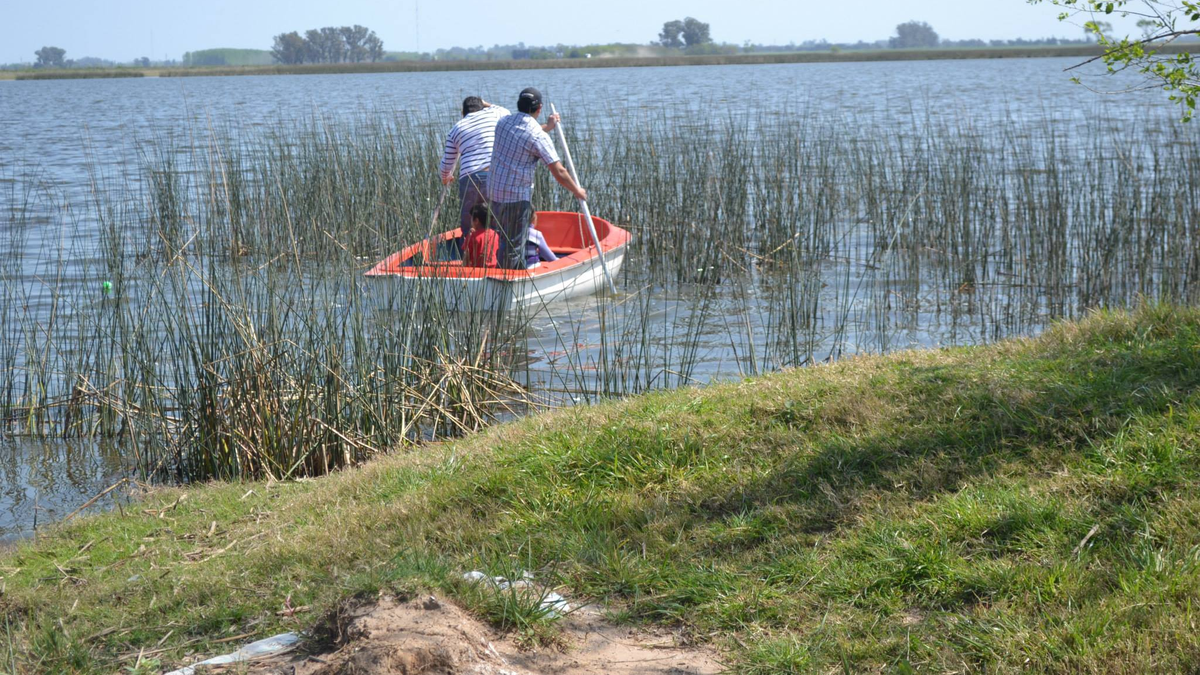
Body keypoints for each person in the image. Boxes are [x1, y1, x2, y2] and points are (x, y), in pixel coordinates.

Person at [487, 87, 587, 270]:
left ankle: (501, 276)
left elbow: (523, 133)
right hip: (515, 198)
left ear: (519, 104)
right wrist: (577, 191)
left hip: (494, 192)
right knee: (514, 247)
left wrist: (547, 127)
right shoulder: (537, 136)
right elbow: (559, 172)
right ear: (539, 108)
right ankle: (508, 285)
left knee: (502, 239)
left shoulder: (503, 123)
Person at [439, 96, 509, 254]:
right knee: (497, 221)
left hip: (469, 177)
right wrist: (486, 103)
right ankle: (497, 260)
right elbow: (505, 110)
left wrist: (446, 178)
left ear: (462, 112)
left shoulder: (456, 128)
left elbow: (446, 165)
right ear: (483, 108)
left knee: (469, 224)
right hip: (494, 175)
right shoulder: (494, 115)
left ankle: (469, 262)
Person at [462, 203, 498, 268]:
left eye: (471, 218)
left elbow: (466, 257)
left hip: (476, 272)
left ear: (476, 221)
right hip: (492, 271)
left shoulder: (472, 236)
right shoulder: (495, 235)